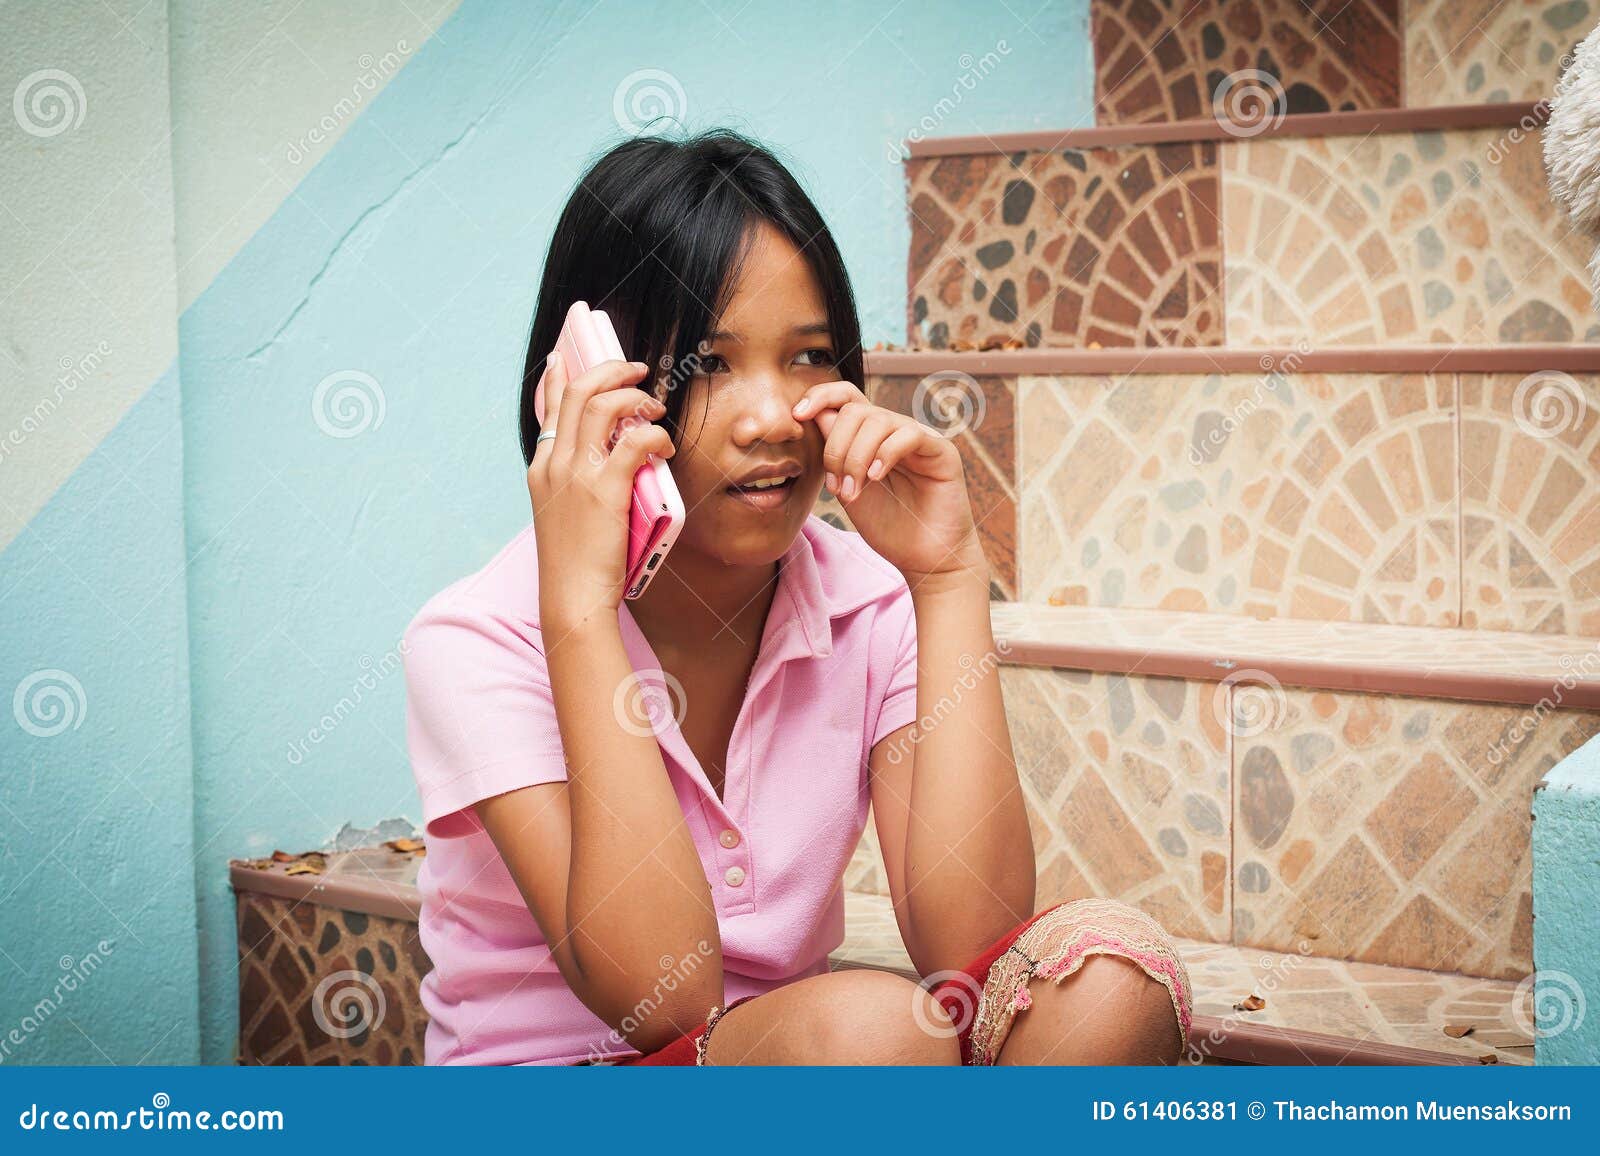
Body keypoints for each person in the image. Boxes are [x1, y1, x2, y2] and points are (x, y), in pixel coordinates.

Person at [402, 129, 1192, 1066]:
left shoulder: (864, 603)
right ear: (584, 386)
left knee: (1105, 986)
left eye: (810, 356)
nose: (775, 417)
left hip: (796, 1078)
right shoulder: (479, 640)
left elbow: (972, 942)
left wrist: (945, 582)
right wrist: (578, 611)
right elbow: (662, 997)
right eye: (710, 364)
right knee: (870, 1034)